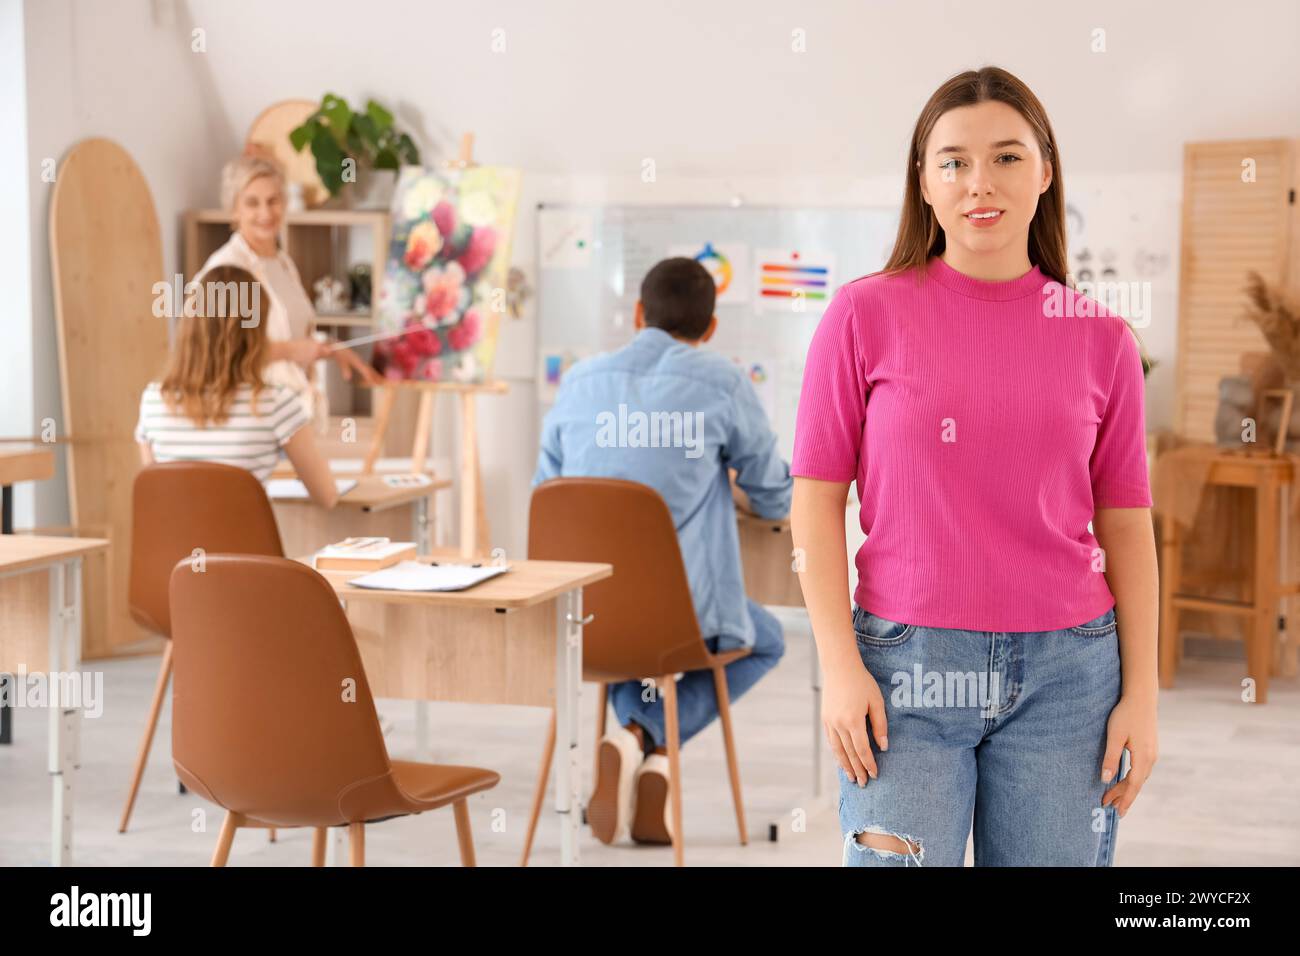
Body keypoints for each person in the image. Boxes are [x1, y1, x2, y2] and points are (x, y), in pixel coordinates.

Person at [791, 66, 1158, 866]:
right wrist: (839, 665)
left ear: (1047, 170)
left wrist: (1144, 692)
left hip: (1071, 677)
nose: (978, 183)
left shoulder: (1102, 339)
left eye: (1007, 157)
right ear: (923, 182)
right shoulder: (862, 315)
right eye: (952, 161)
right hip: (903, 675)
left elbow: (1126, 523)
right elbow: (815, 502)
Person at [533, 257, 792, 845]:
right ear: (711, 329)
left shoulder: (578, 381)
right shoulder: (723, 380)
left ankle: (634, 743)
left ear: (638, 315)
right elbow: (775, 497)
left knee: (633, 628)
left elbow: (543, 495)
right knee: (763, 638)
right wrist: (720, 482)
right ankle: (641, 736)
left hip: (585, 615)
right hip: (678, 617)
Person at [199, 153, 380, 431]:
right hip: (249, 417)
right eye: (252, 203)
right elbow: (222, 351)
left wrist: (329, 348)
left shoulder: (283, 263)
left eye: (273, 200)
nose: (266, 213)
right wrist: (296, 350)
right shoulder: (226, 268)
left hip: (287, 412)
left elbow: (291, 331)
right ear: (234, 209)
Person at [135, 264, 339, 509]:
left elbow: (157, 495)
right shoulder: (275, 404)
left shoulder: (154, 400)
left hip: (170, 548)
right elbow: (326, 496)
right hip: (247, 548)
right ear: (256, 334)